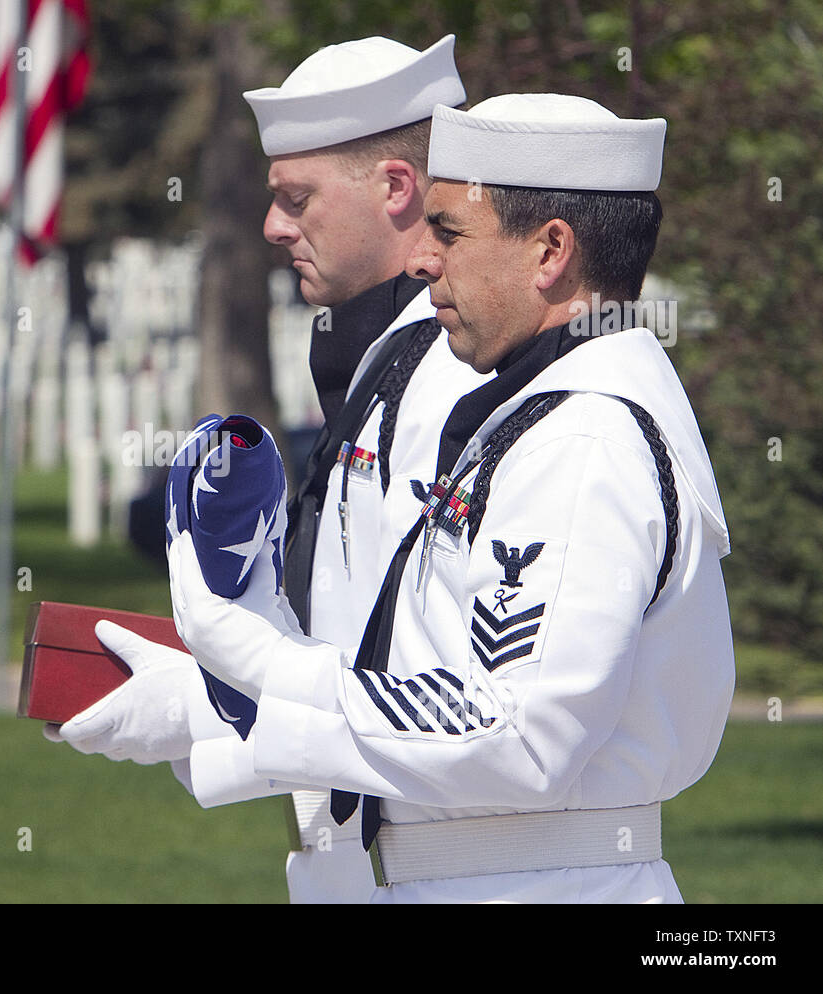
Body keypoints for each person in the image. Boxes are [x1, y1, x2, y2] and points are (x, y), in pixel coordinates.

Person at [166, 93, 735, 902]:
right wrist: (213, 712)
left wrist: (270, 668)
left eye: (450, 231)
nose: (423, 260)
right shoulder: (541, 418)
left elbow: (517, 733)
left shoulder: (583, 442)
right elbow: (432, 673)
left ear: (550, 252)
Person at [46, 35, 489, 903]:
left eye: (297, 198)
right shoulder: (390, 357)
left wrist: (217, 705)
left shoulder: (450, 378)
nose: (273, 226)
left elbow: (444, 685)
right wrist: (212, 703)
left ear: (396, 188)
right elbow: (359, 651)